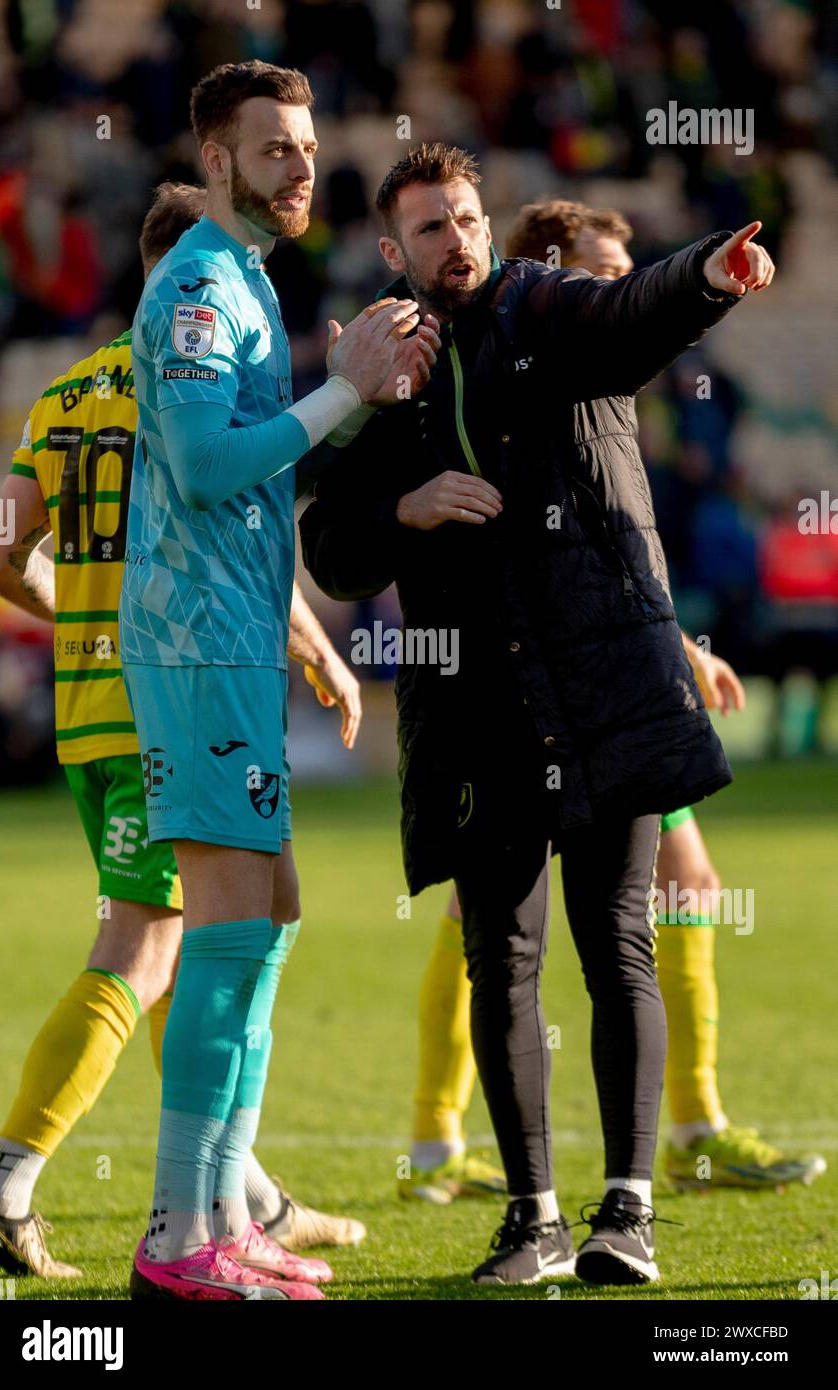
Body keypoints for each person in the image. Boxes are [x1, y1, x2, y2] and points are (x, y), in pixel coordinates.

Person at [300, 141, 776, 1287]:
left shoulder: (541, 304)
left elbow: (631, 313)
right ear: (391, 252)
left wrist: (706, 271)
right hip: (474, 709)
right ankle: (532, 1220)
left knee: (616, 949)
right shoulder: (378, 364)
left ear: (485, 223)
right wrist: (405, 507)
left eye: (464, 217)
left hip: (599, 689)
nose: (453, 239)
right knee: (498, 962)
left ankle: (628, 1214)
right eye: (427, 227)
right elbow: (327, 541)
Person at [0, 181, 367, 1291]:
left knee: (193, 938)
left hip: (88, 706)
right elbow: (222, 529)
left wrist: (78, 613)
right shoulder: (190, 372)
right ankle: (11, 1179)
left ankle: (234, 1196)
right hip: (174, 693)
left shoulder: (58, 397)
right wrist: (310, 644)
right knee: (149, 945)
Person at [400, 199, 824, 1204]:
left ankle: (682, 1126)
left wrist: (670, 645)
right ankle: (449, 1140)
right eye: (603, 274)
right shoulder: (532, 357)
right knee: (497, 923)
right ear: (549, 276)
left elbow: (610, 538)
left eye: (627, 274)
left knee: (675, 887)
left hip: (623, 681)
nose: (617, 294)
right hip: (551, 693)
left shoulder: (616, 380)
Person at [119, 64, 438, 1301]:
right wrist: (343, 392)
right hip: (192, 643)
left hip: (237, 638)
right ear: (216, 159)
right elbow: (203, 467)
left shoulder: (249, 278)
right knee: (231, 924)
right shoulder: (199, 282)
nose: (299, 167)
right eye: (271, 151)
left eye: (306, 148)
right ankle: (175, 1237)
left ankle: (221, 1207)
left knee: (271, 916)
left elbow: (259, 463)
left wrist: (353, 406)